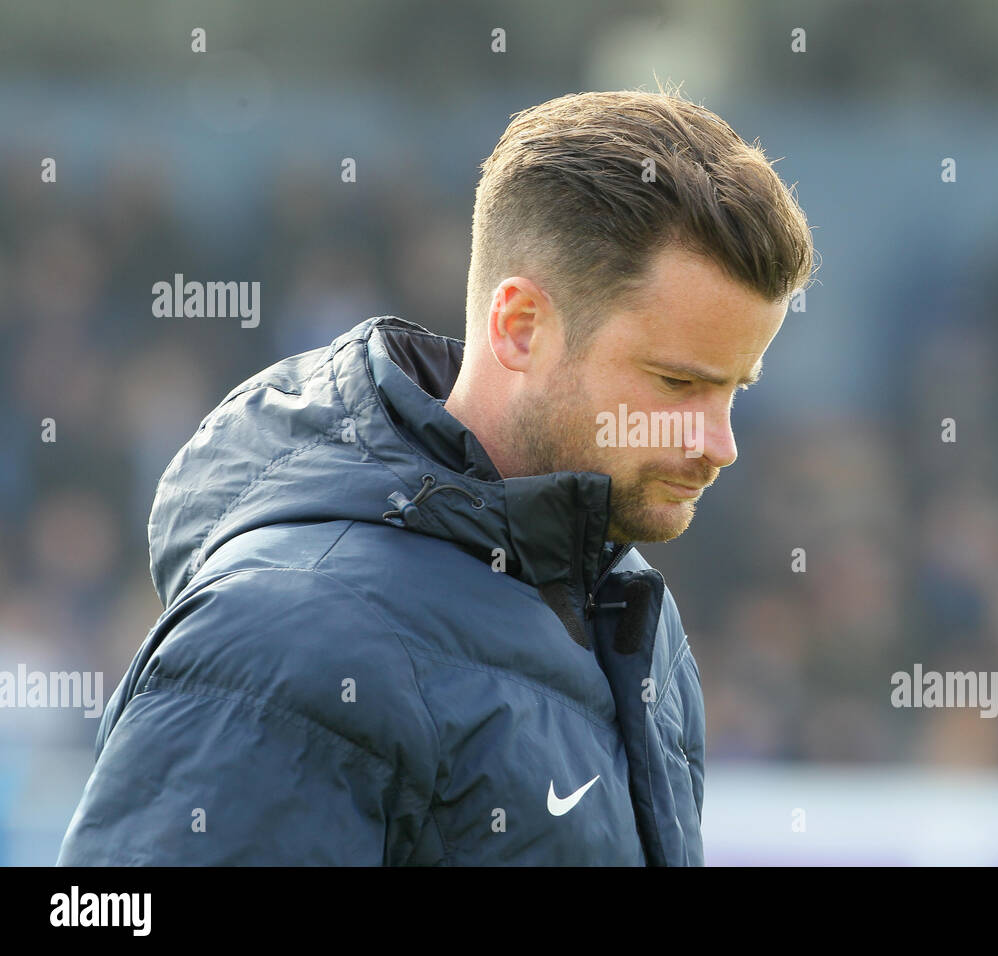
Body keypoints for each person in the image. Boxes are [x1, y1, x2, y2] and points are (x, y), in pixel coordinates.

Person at [56, 86, 814, 865]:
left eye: (735, 389)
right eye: (677, 384)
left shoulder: (633, 621)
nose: (720, 443)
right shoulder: (288, 637)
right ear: (521, 327)